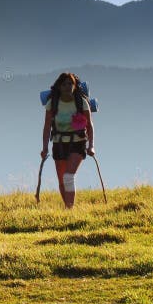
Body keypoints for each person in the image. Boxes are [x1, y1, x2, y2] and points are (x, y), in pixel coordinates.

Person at [41, 72, 95, 208]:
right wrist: (45, 148)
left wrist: (91, 146)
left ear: (75, 85)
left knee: (68, 177)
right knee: (61, 180)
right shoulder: (52, 103)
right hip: (59, 144)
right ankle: (67, 208)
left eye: (70, 84)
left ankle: (69, 209)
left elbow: (89, 125)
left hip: (78, 143)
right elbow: (47, 126)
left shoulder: (81, 102)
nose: (67, 86)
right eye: (64, 84)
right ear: (59, 87)